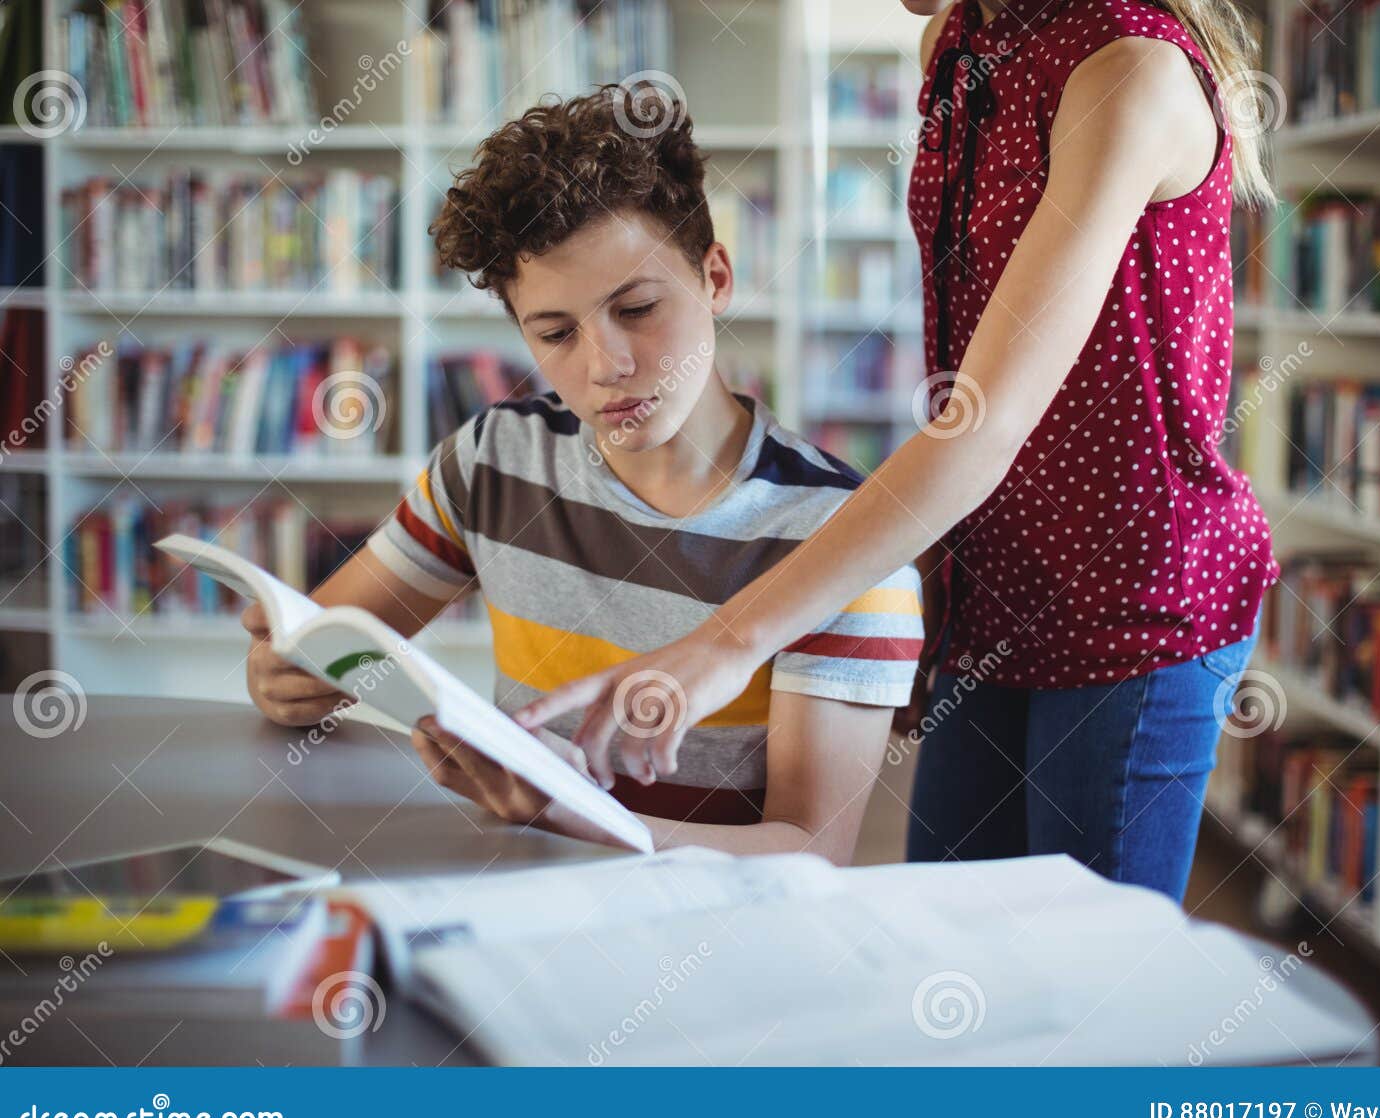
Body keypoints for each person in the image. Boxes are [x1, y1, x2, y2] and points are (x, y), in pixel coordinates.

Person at [516, 0, 1280, 902]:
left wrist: (727, 641)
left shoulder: (1129, 72)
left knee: (1083, 995)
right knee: (947, 948)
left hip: (1134, 598)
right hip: (993, 590)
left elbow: (983, 425)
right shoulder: (953, 43)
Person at [243, 87, 923, 865]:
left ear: (717, 278)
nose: (606, 367)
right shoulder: (494, 461)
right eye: (557, 333)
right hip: (512, 911)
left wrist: (571, 816)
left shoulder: (847, 543)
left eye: (636, 308)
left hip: (714, 945)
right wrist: (283, 678)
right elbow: (325, 642)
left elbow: (810, 853)